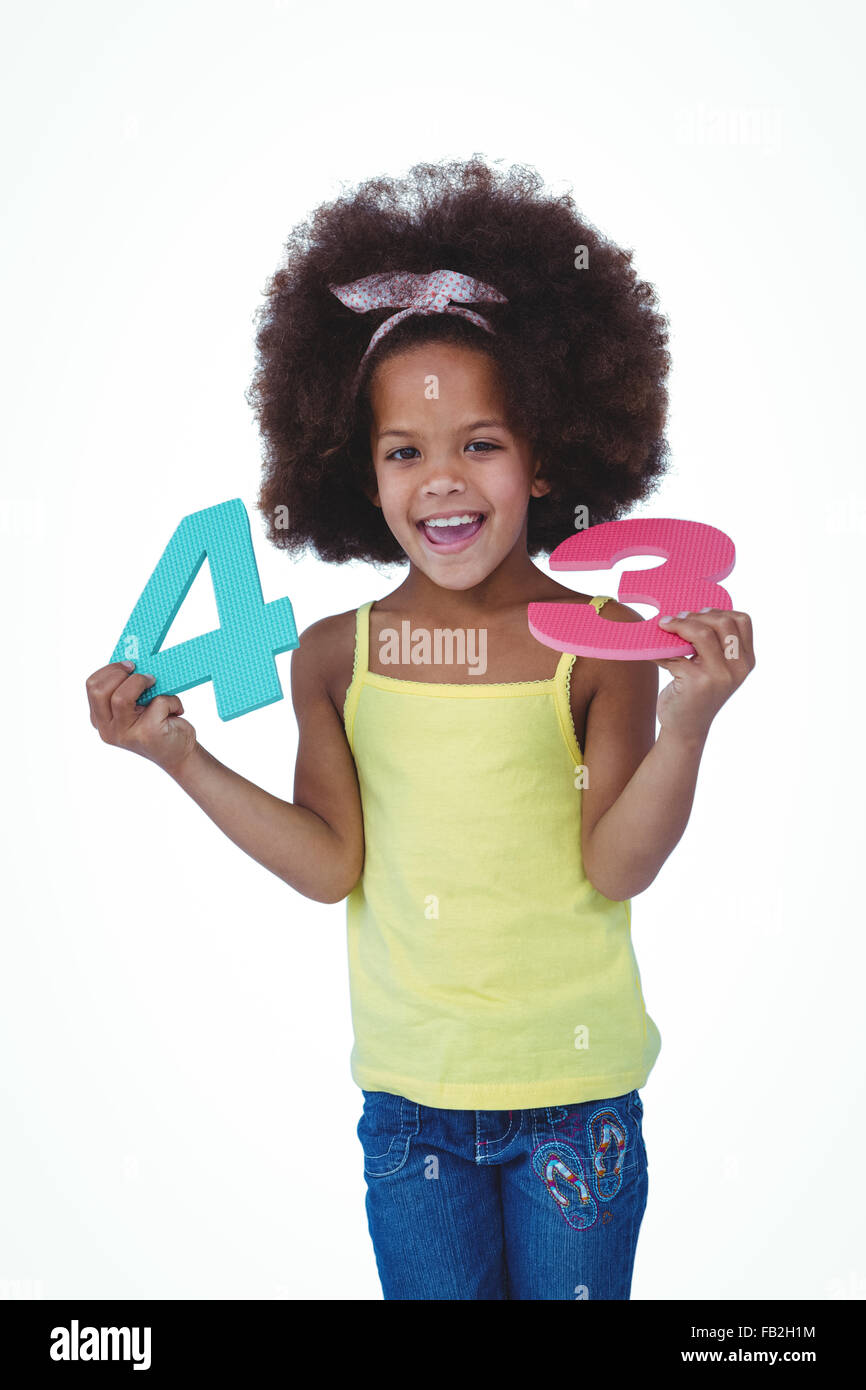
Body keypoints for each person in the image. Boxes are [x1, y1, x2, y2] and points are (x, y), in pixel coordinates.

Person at [85, 156, 755, 1299]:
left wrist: (689, 725)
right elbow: (329, 861)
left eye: (479, 443)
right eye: (407, 450)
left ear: (543, 453)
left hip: (573, 1104)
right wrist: (179, 757)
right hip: (411, 1118)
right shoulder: (337, 656)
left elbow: (616, 859)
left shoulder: (600, 642)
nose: (442, 481)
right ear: (363, 470)